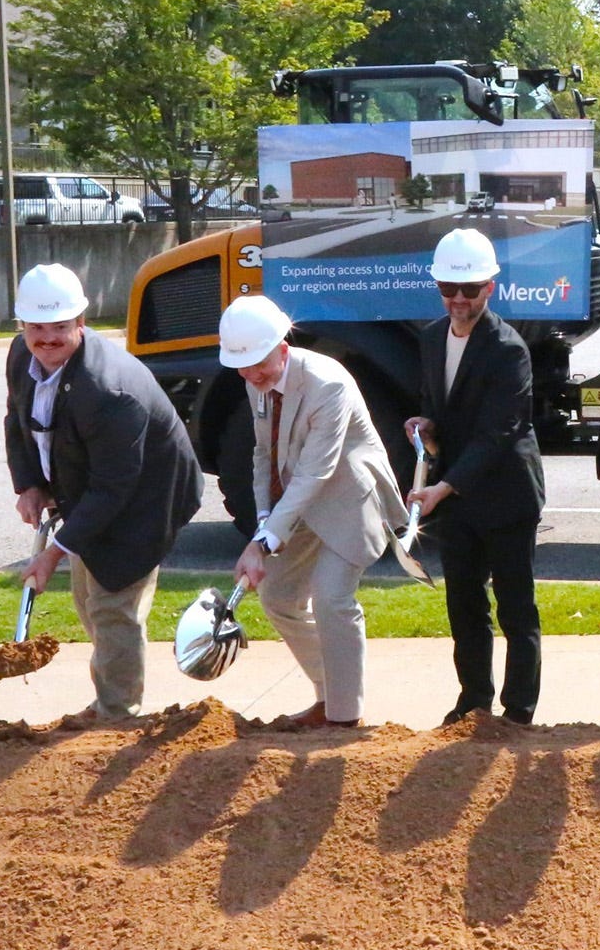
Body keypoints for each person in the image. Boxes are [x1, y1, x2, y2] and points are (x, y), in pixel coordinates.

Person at [3, 263, 203, 721]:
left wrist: (53, 553)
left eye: (59, 327)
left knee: (114, 602)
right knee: (88, 603)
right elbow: (17, 419)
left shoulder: (109, 389)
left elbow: (116, 487)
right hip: (91, 488)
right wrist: (30, 484)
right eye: (36, 327)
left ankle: (117, 714)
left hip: (145, 498)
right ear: (22, 326)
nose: (47, 338)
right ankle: (108, 700)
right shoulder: (21, 356)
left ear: (81, 324)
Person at [224, 295, 410, 728]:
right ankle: (331, 692)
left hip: (349, 500)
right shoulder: (255, 381)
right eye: (243, 367)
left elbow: (316, 472)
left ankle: (345, 720)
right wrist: (262, 529)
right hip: (299, 503)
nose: (252, 375)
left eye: (259, 365)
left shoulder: (328, 384)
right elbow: (262, 457)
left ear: (283, 349)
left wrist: (264, 542)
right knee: (279, 596)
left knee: (331, 598)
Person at [405, 229, 546, 727]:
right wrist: (426, 427)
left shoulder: (509, 350)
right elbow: (443, 410)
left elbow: (498, 432)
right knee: (464, 607)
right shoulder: (428, 339)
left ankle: (518, 711)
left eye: (470, 289)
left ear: (491, 287)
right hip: (458, 501)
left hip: (506, 496)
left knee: (515, 608)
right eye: (449, 288)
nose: (459, 300)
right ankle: (473, 703)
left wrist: (442, 488)